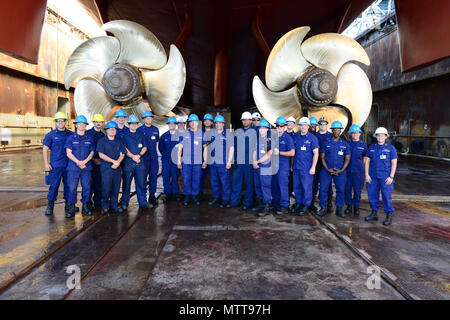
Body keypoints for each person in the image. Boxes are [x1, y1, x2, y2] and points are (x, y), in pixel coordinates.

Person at [364, 127, 398, 226]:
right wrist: (366, 175)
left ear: (386, 136)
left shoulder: (391, 148)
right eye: (378, 135)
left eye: (382, 135)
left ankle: (389, 214)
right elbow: (367, 162)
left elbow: (394, 163)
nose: (380, 137)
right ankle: (374, 213)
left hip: (385, 178)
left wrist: (391, 177)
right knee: (372, 195)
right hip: (373, 177)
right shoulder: (372, 148)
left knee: (386, 196)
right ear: (376, 136)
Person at [317, 121, 350, 217]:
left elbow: (347, 159)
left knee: (340, 189)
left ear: (340, 131)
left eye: (338, 130)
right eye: (334, 130)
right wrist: (327, 169)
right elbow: (322, 157)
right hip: (326, 170)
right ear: (332, 131)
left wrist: (341, 170)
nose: (336, 131)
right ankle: (323, 207)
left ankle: (339, 209)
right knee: (323, 189)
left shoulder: (345, 144)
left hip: (340, 171)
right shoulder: (326, 143)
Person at [43, 112, 73, 216]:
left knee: (68, 186)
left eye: (62, 120)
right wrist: (46, 164)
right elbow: (45, 149)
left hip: (68, 166)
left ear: (65, 122)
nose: (60, 122)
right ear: (55, 123)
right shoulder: (50, 135)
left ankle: (68, 205)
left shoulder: (71, 134)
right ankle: (50, 206)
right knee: (54, 186)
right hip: (55, 166)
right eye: (58, 121)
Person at [119, 115, 153, 210]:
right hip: (128, 162)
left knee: (141, 183)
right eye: (132, 123)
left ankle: (143, 202)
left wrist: (139, 155)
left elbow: (145, 147)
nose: (134, 125)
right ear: (129, 124)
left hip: (139, 161)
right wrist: (133, 156)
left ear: (137, 124)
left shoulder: (141, 134)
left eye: (135, 123)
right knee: (126, 183)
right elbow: (124, 148)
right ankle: (124, 202)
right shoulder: (124, 135)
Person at [65, 115, 95, 218]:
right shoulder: (70, 138)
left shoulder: (89, 138)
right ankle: (71, 207)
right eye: (79, 124)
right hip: (73, 167)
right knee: (72, 188)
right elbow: (68, 153)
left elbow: (92, 152)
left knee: (86, 187)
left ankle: (85, 207)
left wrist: (85, 162)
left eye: (83, 124)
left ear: (86, 126)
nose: (81, 125)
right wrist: (78, 162)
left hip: (86, 168)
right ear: (76, 125)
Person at [203, 115, 234, 208]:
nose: (218, 125)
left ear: (223, 124)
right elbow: (206, 147)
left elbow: (232, 148)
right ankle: (216, 198)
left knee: (225, 182)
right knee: (214, 181)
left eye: (220, 123)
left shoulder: (228, 135)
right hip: (213, 163)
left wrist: (229, 162)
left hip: (223, 163)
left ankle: (225, 199)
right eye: (216, 123)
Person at [291, 117, 319, 215]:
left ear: (308, 126)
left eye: (305, 125)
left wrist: (313, 167)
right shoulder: (296, 137)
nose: (303, 127)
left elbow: (316, 153)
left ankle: (306, 204)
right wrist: (292, 165)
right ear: (299, 126)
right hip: (296, 167)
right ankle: (299, 202)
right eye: (301, 125)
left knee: (306, 187)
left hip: (307, 168)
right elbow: (293, 153)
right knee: (297, 187)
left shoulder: (312, 138)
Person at [97, 121, 126, 213]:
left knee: (116, 187)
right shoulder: (102, 141)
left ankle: (114, 205)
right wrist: (114, 161)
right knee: (106, 187)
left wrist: (118, 162)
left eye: (114, 129)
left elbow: (123, 153)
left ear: (116, 131)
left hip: (117, 167)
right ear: (106, 131)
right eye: (110, 129)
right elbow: (101, 155)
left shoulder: (119, 141)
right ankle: (105, 205)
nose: (112, 131)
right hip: (106, 168)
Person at [230, 111, 257, 210]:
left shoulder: (255, 131)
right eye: (243, 120)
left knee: (249, 184)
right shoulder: (238, 132)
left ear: (251, 121)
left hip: (249, 162)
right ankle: (234, 201)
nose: (245, 121)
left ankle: (248, 203)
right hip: (239, 161)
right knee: (236, 182)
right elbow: (234, 146)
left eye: (247, 120)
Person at [270, 116, 295, 214]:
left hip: (283, 168)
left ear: (284, 127)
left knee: (282, 186)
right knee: (274, 185)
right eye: (277, 126)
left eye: (281, 126)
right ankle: (276, 204)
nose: (279, 128)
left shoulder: (288, 138)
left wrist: (279, 153)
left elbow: (292, 153)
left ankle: (284, 205)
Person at [178, 114, 203, 206]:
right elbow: (180, 148)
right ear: (189, 123)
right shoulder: (184, 134)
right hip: (186, 161)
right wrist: (178, 160)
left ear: (197, 123)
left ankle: (194, 196)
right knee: (186, 179)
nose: (193, 123)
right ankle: (187, 196)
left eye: (194, 121)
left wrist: (204, 161)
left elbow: (205, 148)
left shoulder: (201, 133)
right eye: (191, 122)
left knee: (196, 179)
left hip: (197, 162)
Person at [344, 124, 368, 216]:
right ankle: (349, 206)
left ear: (359, 134)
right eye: (353, 133)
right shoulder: (347, 144)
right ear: (351, 134)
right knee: (347, 189)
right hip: (348, 171)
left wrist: (361, 165)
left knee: (357, 190)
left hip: (359, 172)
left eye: (357, 133)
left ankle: (356, 207)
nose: (355, 135)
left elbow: (365, 156)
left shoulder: (363, 145)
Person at [138, 110, 160, 205]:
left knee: (153, 177)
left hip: (154, 158)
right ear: (143, 119)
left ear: (151, 118)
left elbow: (156, 143)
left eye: (150, 117)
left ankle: (152, 195)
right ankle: (143, 197)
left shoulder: (155, 129)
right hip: (143, 158)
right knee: (142, 178)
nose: (148, 119)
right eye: (146, 117)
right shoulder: (139, 130)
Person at [312, 116, 333, 212]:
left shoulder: (331, 136)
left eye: (324, 124)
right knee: (314, 184)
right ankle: (311, 202)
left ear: (327, 125)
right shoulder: (314, 136)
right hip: (316, 164)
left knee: (327, 185)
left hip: (327, 164)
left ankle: (328, 202)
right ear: (318, 125)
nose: (322, 126)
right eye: (320, 124)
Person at [253, 119, 273, 216]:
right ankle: (261, 203)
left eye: (263, 128)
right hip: (257, 166)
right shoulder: (257, 139)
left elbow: (269, 154)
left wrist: (258, 161)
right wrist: (254, 162)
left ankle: (267, 205)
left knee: (265, 186)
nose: (261, 130)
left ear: (267, 129)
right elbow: (254, 151)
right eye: (260, 128)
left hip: (265, 166)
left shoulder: (269, 140)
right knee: (258, 185)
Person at [158, 117, 181, 202]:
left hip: (175, 160)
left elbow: (182, 148)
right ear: (168, 125)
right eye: (170, 123)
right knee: (166, 177)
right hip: (166, 160)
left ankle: (175, 194)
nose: (172, 125)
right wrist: (166, 155)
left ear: (175, 125)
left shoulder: (180, 136)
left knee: (175, 177)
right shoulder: (164, 136)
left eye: (173, 123)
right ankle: (167, 194)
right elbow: (161, 147)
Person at [86, 114, 105, 210]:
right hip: (89, 163)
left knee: (98, 183)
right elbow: (86, 149)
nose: (98, 123)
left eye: (100, 122)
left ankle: (97, 202)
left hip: (100, 164)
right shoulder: (87, 133)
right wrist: (93, 159)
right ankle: (88, 203)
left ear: (102, 123)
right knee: (89, 184)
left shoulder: (103, 135)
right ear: (93, 122)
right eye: (96, 122)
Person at [199, 113, 214, 201]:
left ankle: (214, 196)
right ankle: (200, 194)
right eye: (205, 121)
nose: (207, 122)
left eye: (209, 121)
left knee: (213, 178)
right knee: (201, 177)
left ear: (212, 122)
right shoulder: (200, 133)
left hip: (212, 159)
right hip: (202, 158)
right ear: (203, 122)